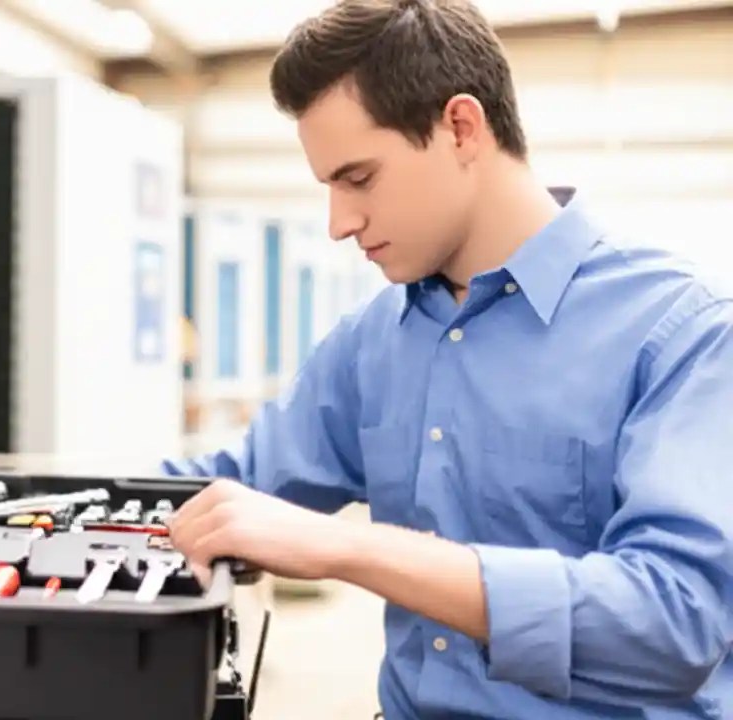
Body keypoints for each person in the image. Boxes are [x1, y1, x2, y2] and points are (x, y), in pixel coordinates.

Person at [161, 1, 733, 718]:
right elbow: (234, 487)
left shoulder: (683, 331)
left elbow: (676, 621)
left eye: (359, 179)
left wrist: (353, 550)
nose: (339, 224)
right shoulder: (374, 340)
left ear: (461, 127)